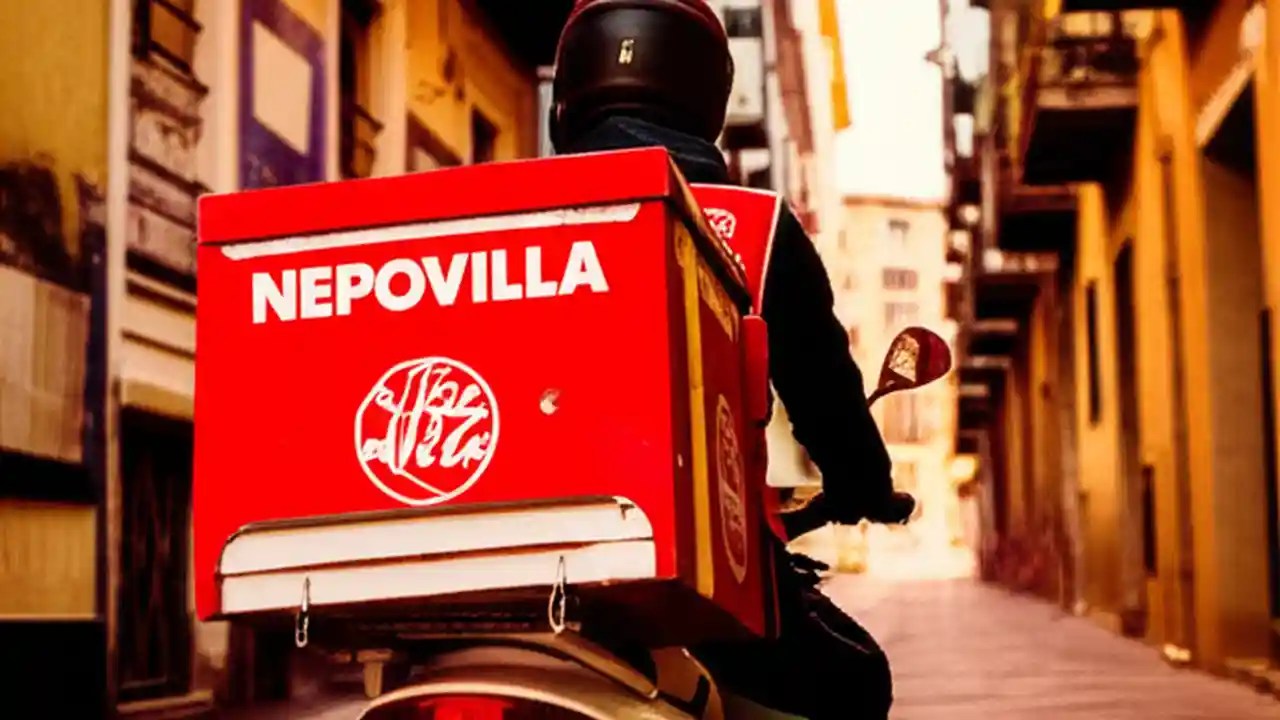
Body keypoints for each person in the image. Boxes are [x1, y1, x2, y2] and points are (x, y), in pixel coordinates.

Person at [550, 1, 915, 718]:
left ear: (565, 99)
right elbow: (827, 394)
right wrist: (865, 485)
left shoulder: (501, 215)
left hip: (507, 580)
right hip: (699, 581)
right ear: (708, 98)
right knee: (856, 684)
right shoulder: (758, 226)